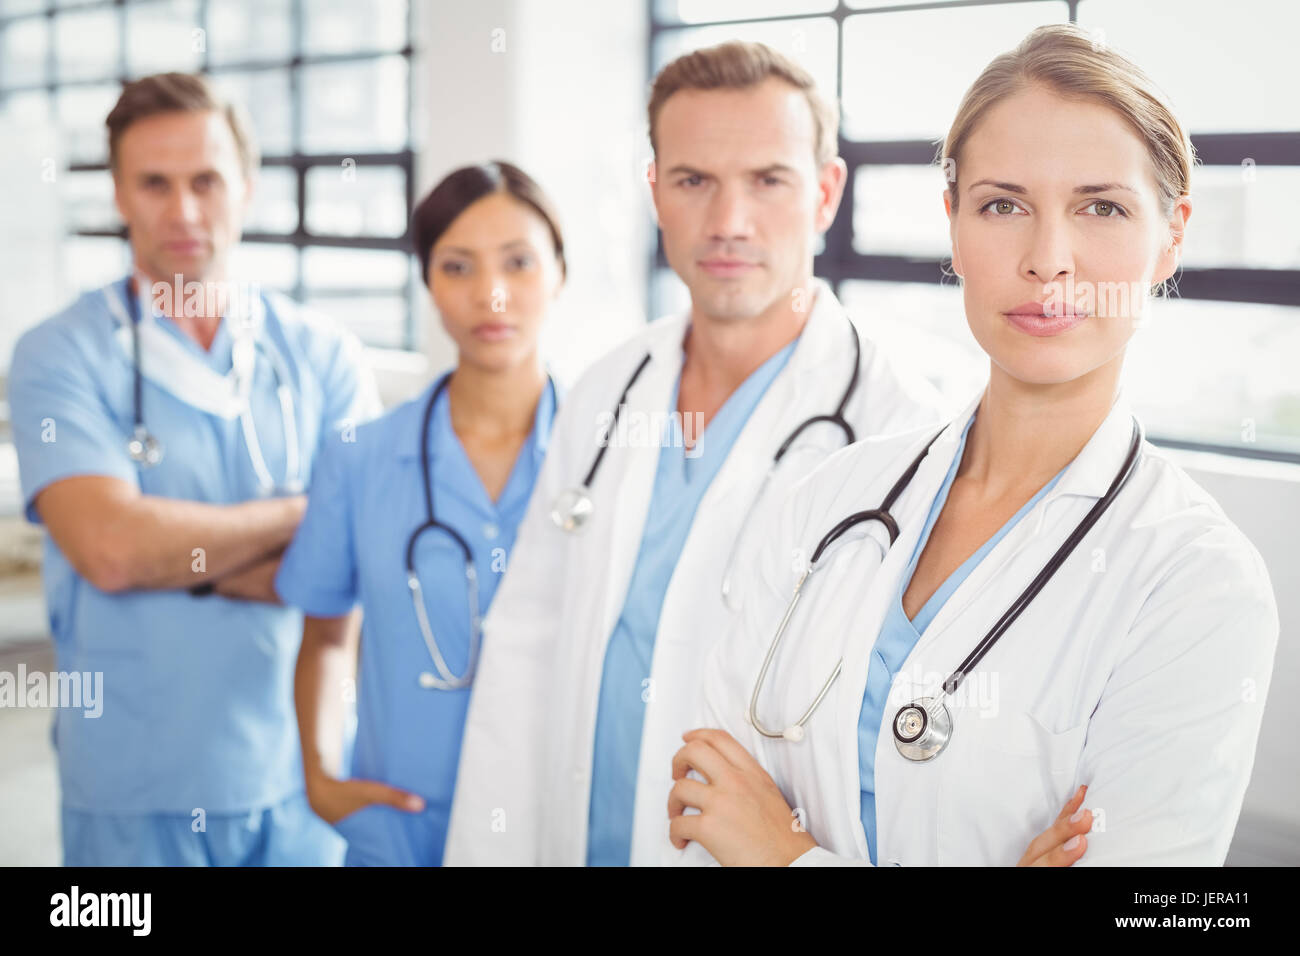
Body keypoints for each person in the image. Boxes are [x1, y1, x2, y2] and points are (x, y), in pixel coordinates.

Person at [668, 24, 1279, 867]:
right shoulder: (824, 502)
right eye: (1003, 204)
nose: (1048, 260)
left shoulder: (1198, 583)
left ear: (1171, 234)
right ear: (953, 222)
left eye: (1101, 206)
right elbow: (703, 822)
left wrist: (782, 854)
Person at [444, 41, 948, 867]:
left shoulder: (901, 433)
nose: (728, 222)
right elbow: (522, 656)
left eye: (767, 180)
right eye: (693, 181)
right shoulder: (606, 390)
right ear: (656, 193)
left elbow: (902, 745)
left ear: (825, 193)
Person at [7, 73, 380, 865]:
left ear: (245, 186)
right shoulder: (58, 355)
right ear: (116, 193)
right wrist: (306, 513)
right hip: (134, 788)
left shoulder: (322, 355)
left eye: (206, 180)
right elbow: (111, 549)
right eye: (154, 183)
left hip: (300, 777)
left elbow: (360, 559)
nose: (182, 211)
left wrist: (175, 553)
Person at [275, 162, 564, 866]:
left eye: (519, 262)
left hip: (561, 818)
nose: (491, 294)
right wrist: (320, 778)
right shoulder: (362, 457)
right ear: (429, 282)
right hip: (401, 826)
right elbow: (326, 639)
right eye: (458, 266)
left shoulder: (605, 459)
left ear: (559, 271)